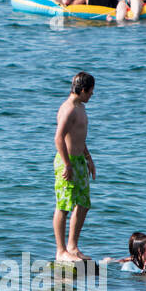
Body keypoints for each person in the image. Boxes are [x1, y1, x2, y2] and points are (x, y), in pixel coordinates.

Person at [53, 71, 96, 262]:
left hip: (79, 160)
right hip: (67, 161)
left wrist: (89, 159)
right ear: (83, 90)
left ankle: (73, 246)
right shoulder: (69, 108)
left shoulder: (80, 106)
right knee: (63, 205)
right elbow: (58, 138)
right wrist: (67, 165)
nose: (92, 95)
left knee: (83, 203)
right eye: (91, 92)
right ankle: (61, 251)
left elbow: (79, 137)